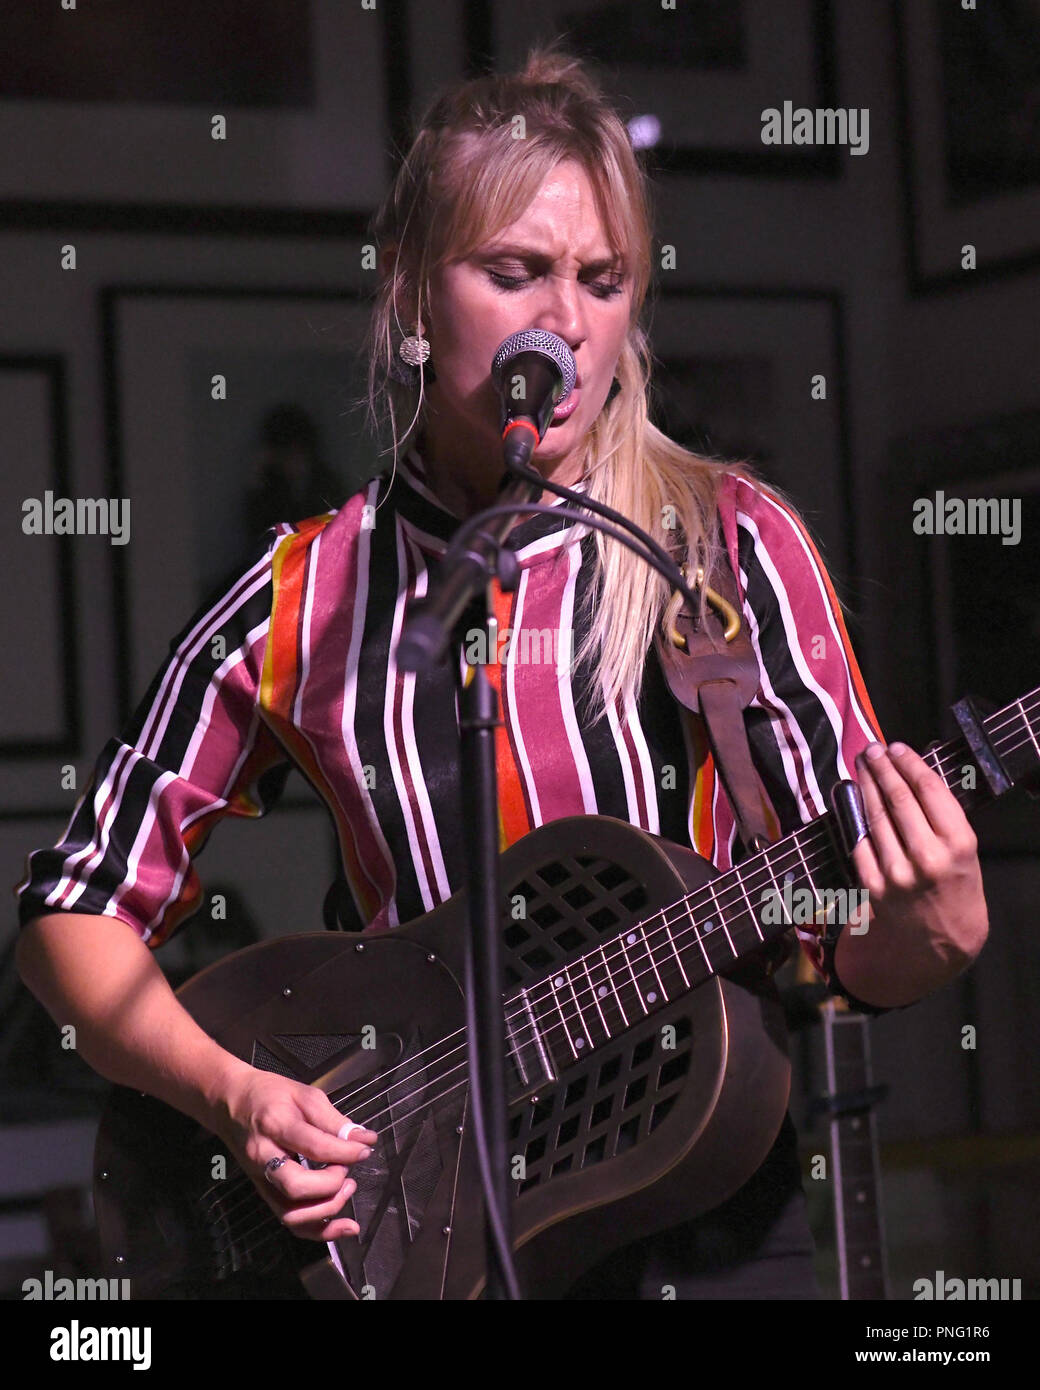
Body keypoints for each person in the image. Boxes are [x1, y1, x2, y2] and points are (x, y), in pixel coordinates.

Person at [14, 44, 988, 1299]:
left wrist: (926, 932)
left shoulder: (727, 545)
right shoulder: (306, 593)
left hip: (700, 1212)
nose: (564, 322)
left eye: (601, 278)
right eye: (513, 271)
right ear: (413, 295)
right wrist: (235, 1096)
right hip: (423, 1234)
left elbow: (827, 944)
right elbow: (72, 914)